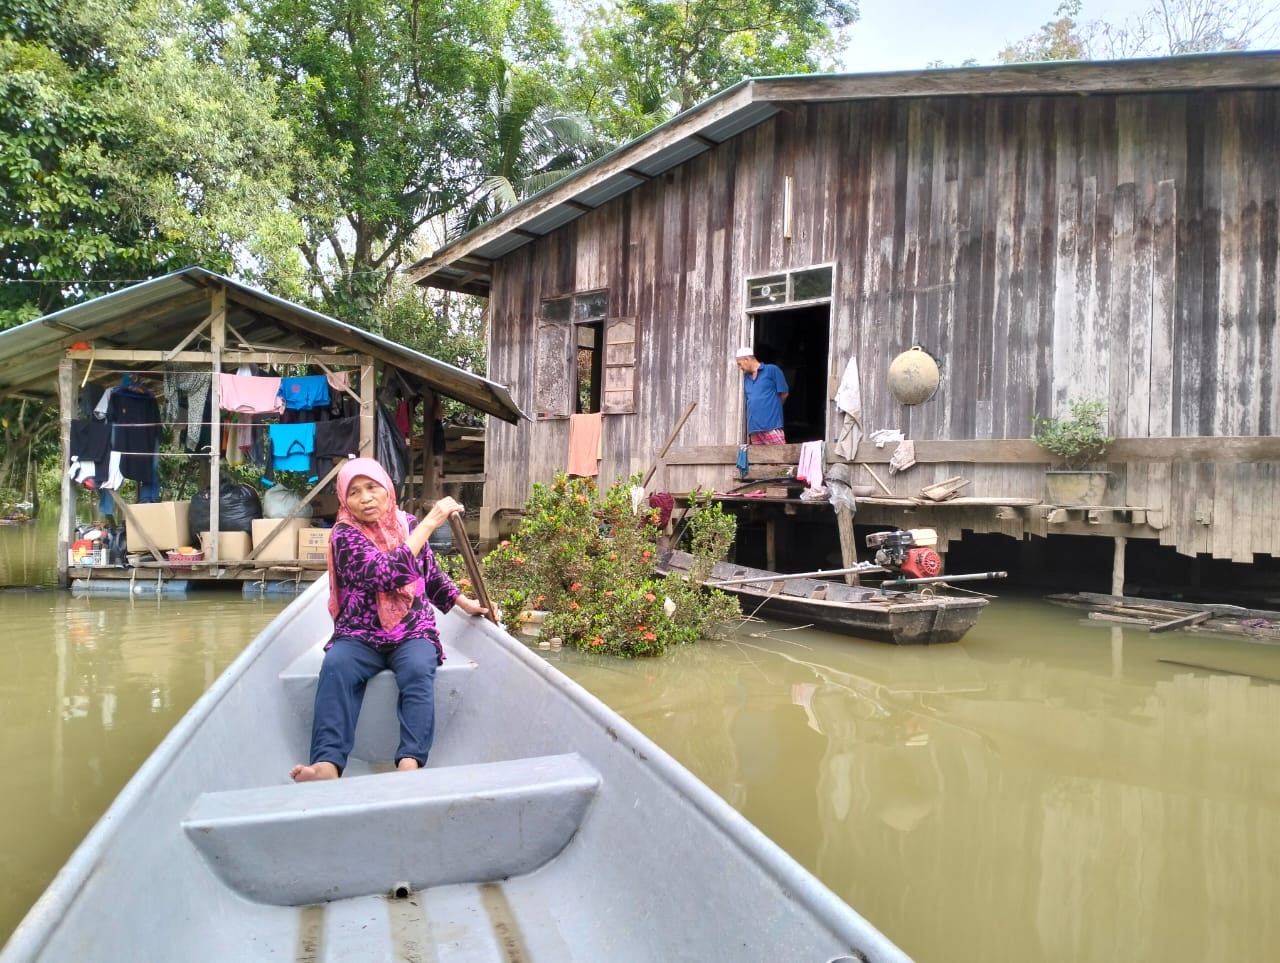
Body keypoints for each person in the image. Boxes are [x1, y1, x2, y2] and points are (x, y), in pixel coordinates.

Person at [290, 457, 487, 782]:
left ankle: (410, 761)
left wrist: (466, 603)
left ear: (387, 489)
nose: (365, 498)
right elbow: (384, 574)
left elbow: (430, 574)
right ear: (344, 499)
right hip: (359, 634)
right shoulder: (344, 535)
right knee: (336, 665)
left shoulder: (407, 523)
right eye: (354, 492)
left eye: (372, 487)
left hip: (411, 630)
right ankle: (327, 763)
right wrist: (429, 524)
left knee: (417, 668)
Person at [735, 347, 789, 444]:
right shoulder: (746, 378)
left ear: (747, 359)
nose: (740, 368)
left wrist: (772, 409)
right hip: (754, 430)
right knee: (759, 458)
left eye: (740, 364)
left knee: (778, 457)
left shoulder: (772, 370)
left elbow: (784, 394)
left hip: (772, 426)